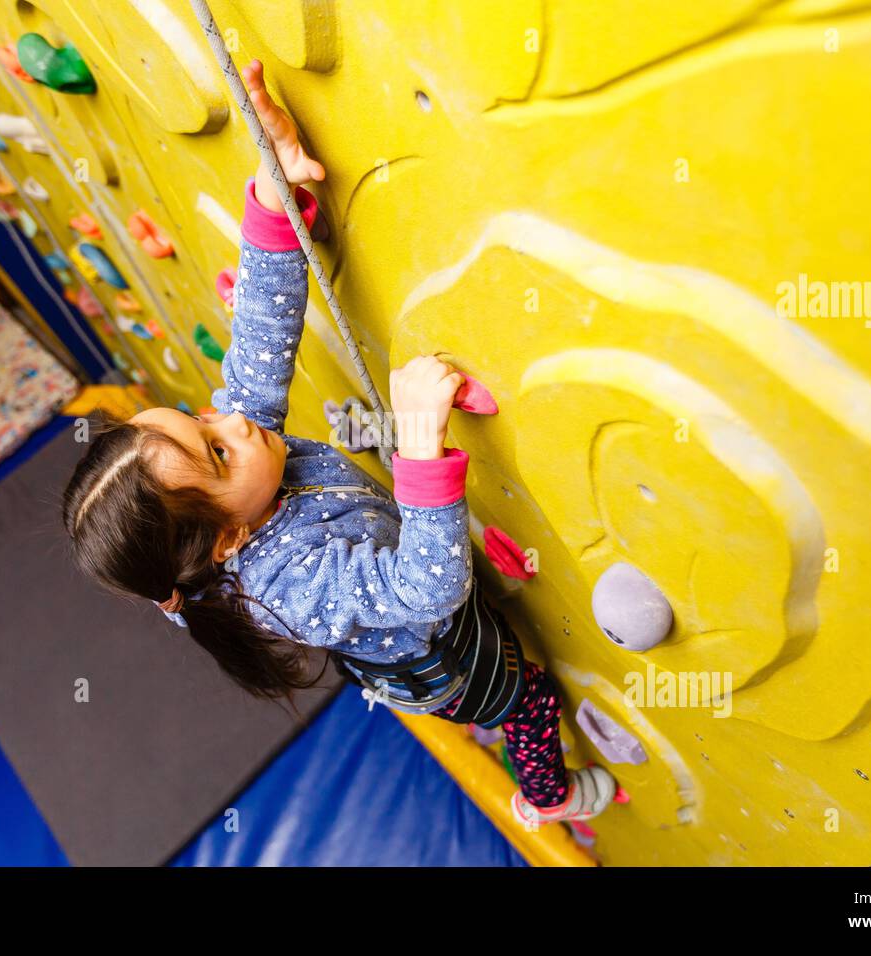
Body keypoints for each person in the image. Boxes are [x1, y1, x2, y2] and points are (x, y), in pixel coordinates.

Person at [62, 59, 619, 827]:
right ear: (228, 537)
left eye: (201, 418)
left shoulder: (239, 468)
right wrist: (421, 449)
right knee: (527, 696)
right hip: (436, 658)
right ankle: (548, 796)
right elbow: (426, 592)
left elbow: (260, 332)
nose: (233, 419)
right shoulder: (285, 585)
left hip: (394, 594)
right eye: (216, 448)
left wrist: (273, 192)